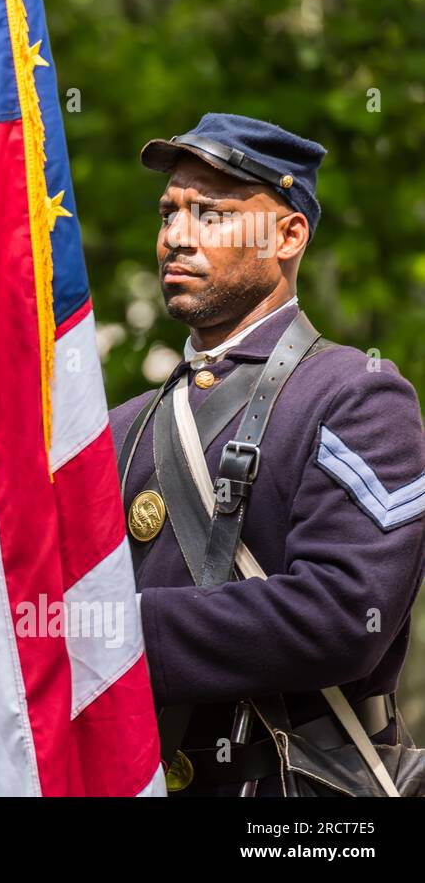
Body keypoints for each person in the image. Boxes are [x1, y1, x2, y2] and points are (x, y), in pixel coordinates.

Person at [110, 113, 425, 795]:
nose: (175, 236)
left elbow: (343, 617)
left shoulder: (355, 393)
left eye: (211, 214)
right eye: (169, 212)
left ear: (288, 236)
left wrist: (119, 630)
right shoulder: (123, 427)